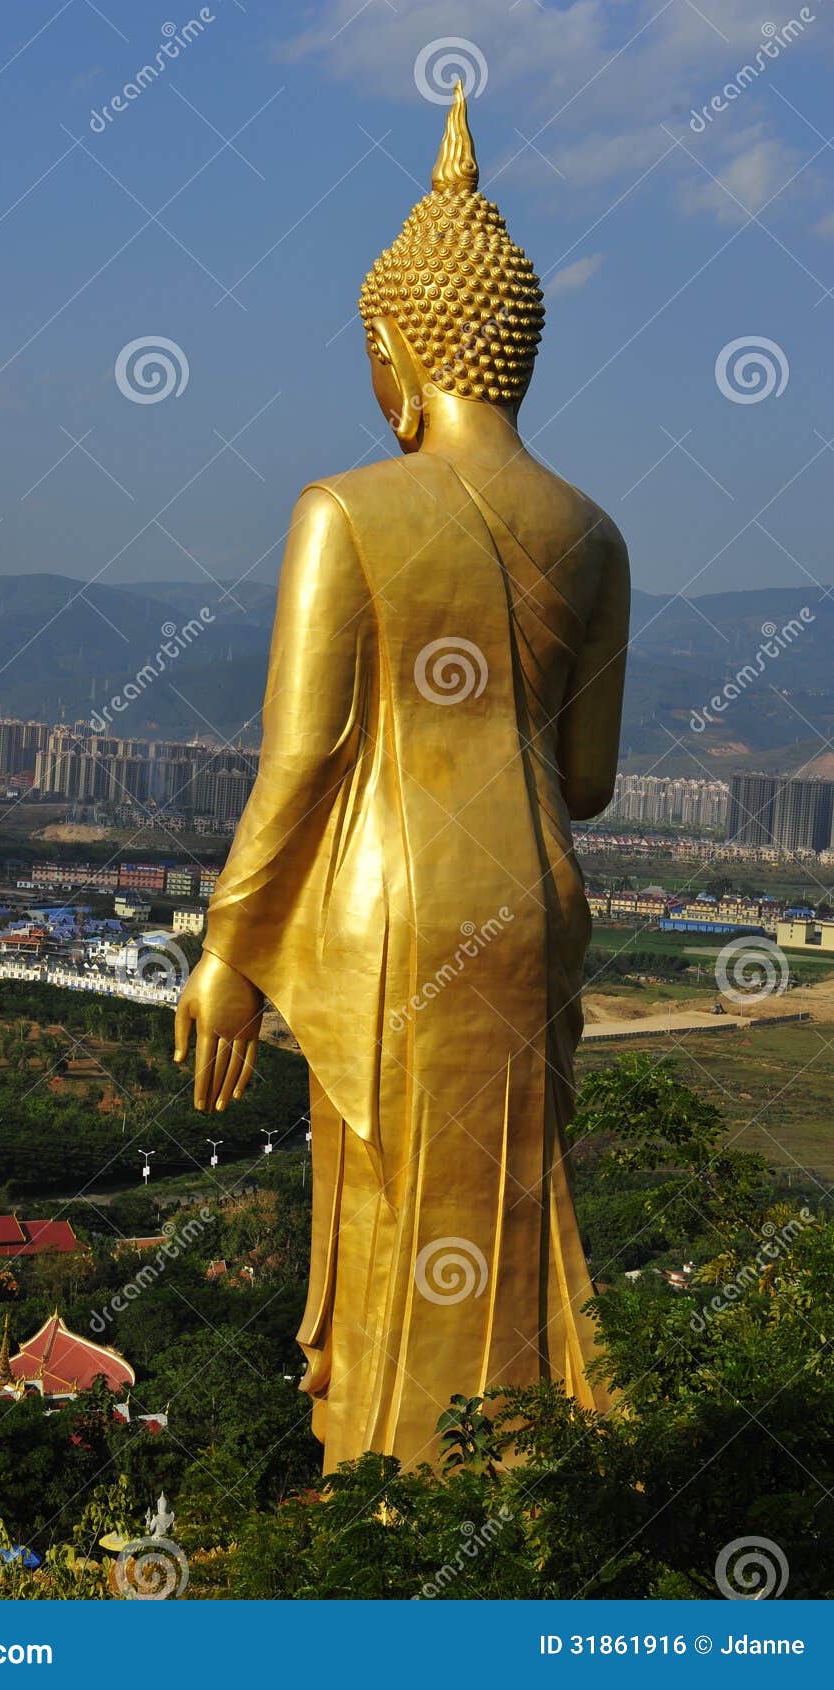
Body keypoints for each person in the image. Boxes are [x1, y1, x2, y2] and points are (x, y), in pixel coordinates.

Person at [174, 84, 629, 1473]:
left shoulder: (346, 512)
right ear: (514, 353)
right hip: (533, 905)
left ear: (394, 349)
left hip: (391, 915)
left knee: (384, 1209)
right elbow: (587, 778)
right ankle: (524, 1473)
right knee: (505, 1202)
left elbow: (302, 757)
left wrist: (227, 948)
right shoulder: (595, 536)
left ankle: (397, 1489)